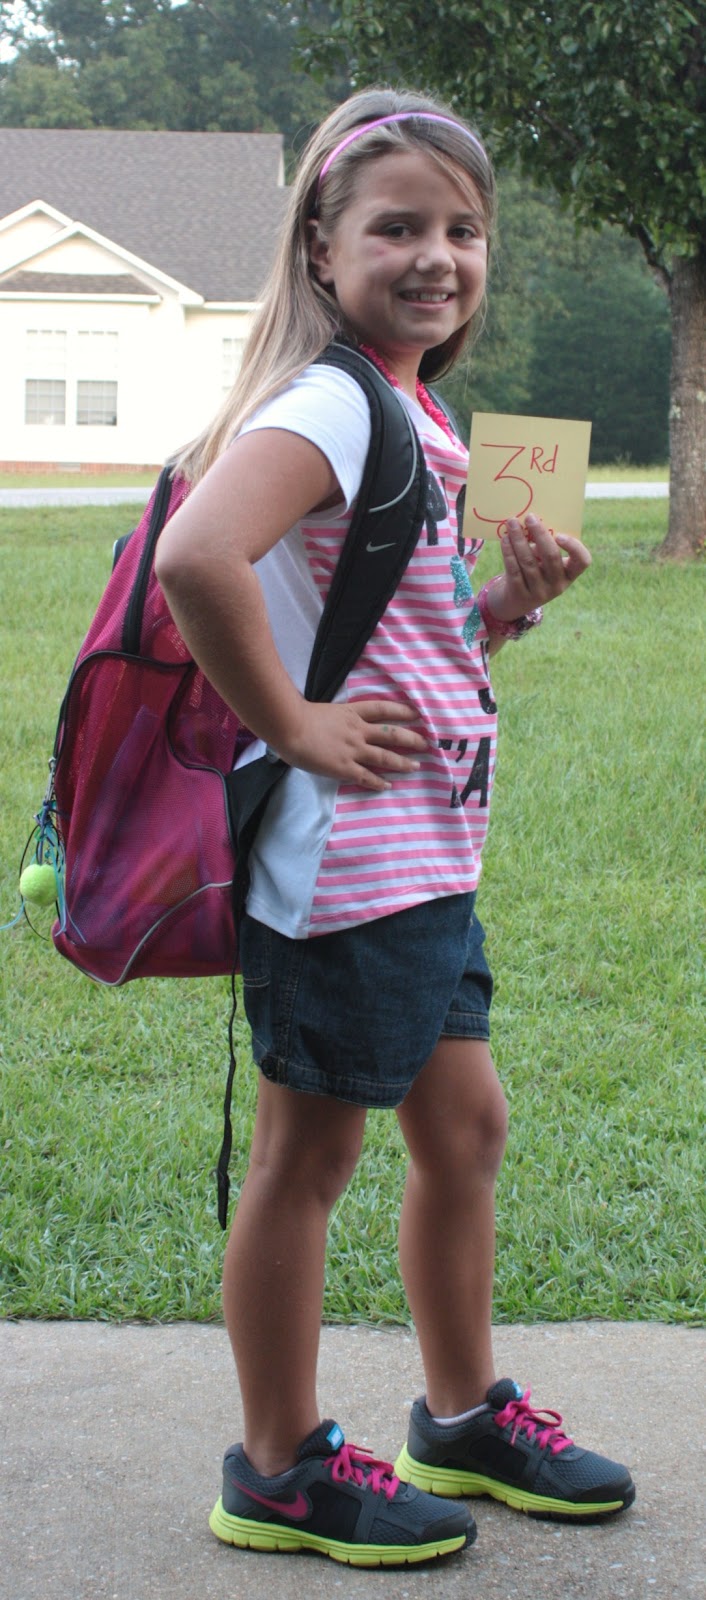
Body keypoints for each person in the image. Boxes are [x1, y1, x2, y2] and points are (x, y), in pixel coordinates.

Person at [155, 86, 635, 1568]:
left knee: (464, 1129)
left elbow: (381, 639)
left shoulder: (416, 412)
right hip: (347, 868)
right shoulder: (330, 404)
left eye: (463, 229)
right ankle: (279, 1464)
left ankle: (457, 1410)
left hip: (427, 853)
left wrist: (495, 610)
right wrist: (293, 729)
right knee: (307, 1160)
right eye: (396, 227)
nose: (437, 255)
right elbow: (197, 557)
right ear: (319, 247)